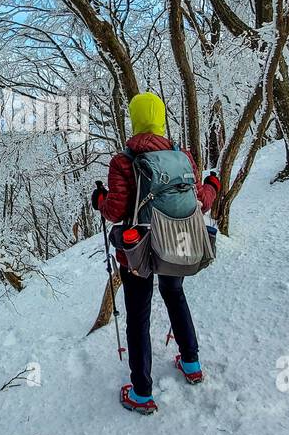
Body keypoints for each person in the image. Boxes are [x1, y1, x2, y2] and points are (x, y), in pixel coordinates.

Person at [91, 92, 220, 414]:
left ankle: (141, 392)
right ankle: (191, 363)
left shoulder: (124, 161)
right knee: (175, 294)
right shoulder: (182, 156)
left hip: (139, 251)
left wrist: (99, 200)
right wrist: (213, 185)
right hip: (179, 242)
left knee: (138, 316)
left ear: (134, 119)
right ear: (161, 118)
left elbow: (114, 210)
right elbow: (200, 199)